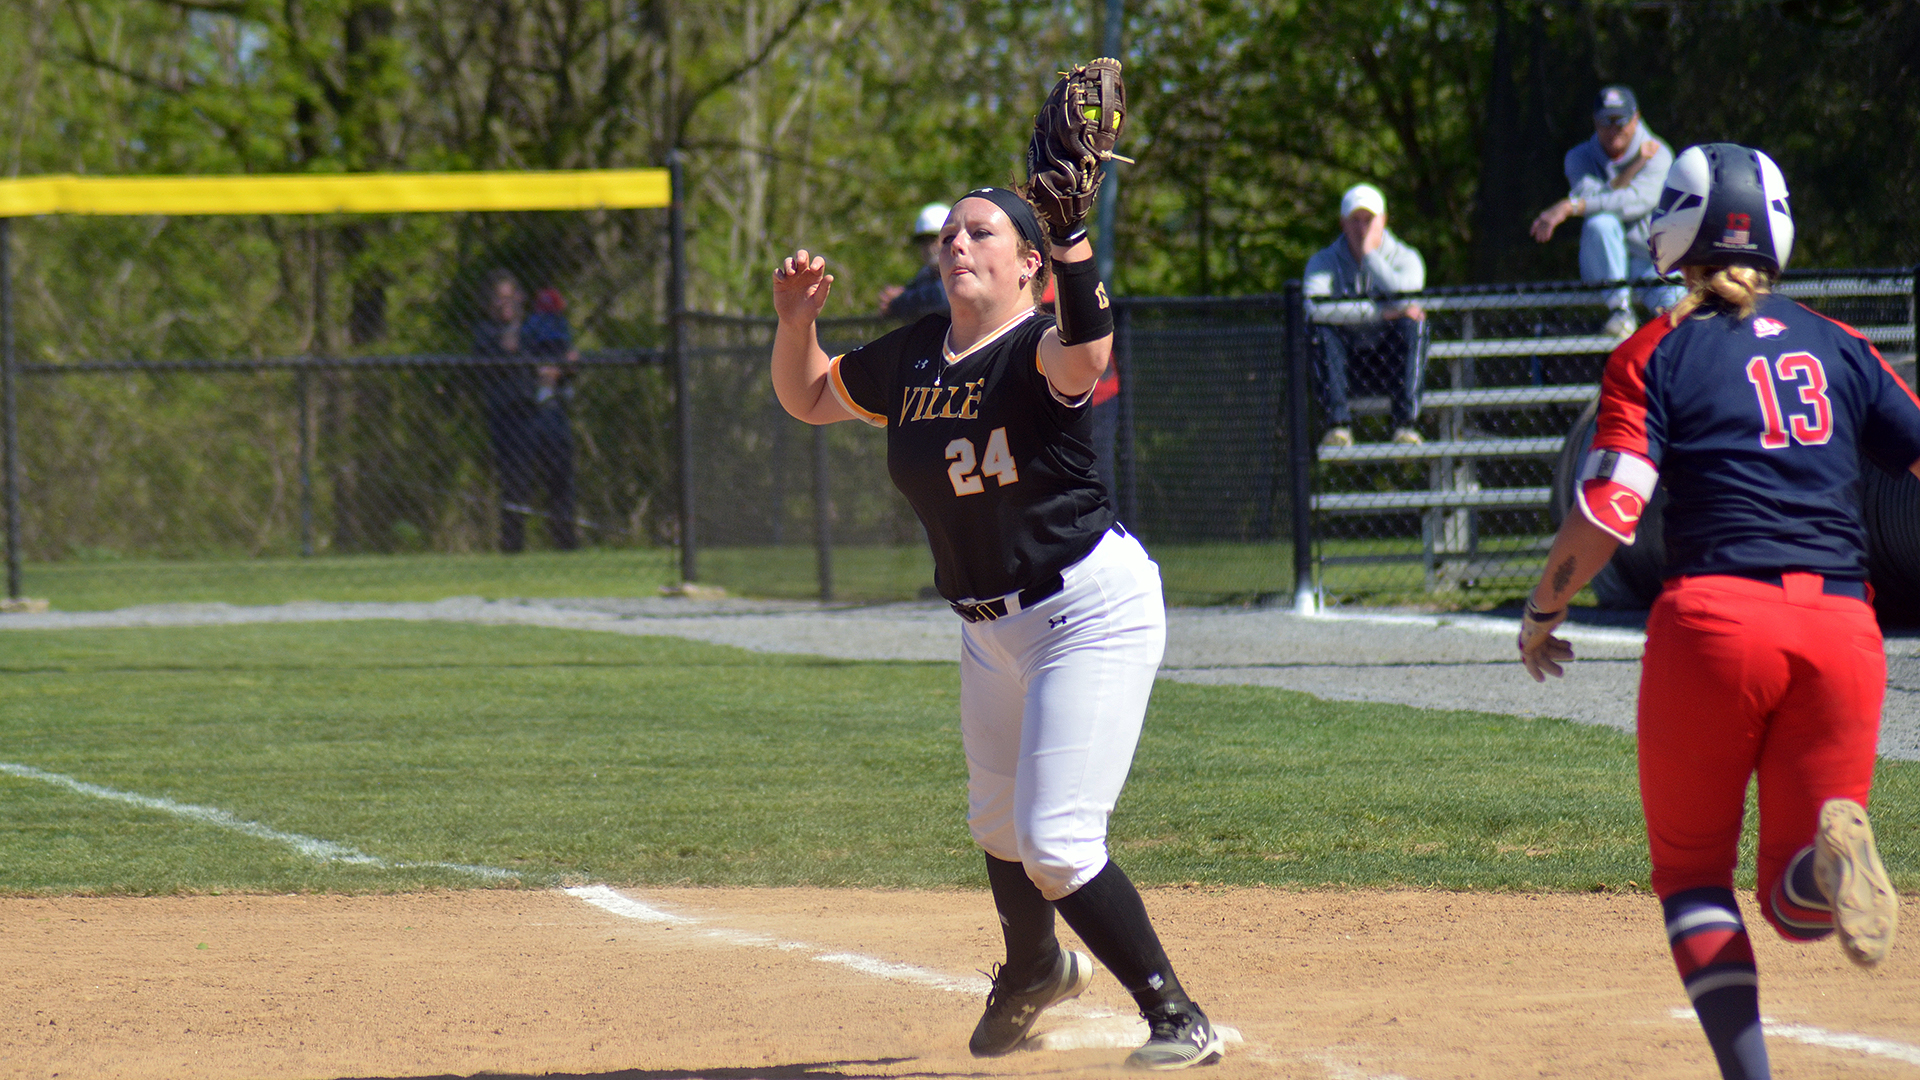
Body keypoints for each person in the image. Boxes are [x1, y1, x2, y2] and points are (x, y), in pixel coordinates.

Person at [769, 76, 1223, 1065]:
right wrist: (796, 318)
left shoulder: (1039, 348)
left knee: (1058, 839)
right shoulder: (914, 359)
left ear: (1025, 265)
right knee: (997, 825)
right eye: (949, 237)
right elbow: (807, 398)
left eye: (982, 234)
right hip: (986, 629)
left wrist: (1075, 240)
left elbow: (1091, 348)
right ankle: (1034, 969)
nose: (958, 246)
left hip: (1085, 611)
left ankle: (1175, 1015)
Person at [1517, 144, 1910, 1080]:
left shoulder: (1653, 352)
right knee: (1789, 901)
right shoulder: (1842, 346)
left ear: (1674, 232)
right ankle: (1827, 866)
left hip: (1717, 625)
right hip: (1847, 630)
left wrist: (1543, 609)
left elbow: (1611, 508)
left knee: (1695, 877)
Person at [1530, 85, 1683, 339]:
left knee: (1685, 321)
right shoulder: (1578, 157)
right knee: (1600, 222)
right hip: (1603, 269)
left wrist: (1571, 206)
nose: (1613, 129)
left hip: (1651, 263)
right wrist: (1635, 167)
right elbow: (1596, 201)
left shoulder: (1658, 153)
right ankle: (1620, 313)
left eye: (1620, 121)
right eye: (1605, 121)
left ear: (1636, 118)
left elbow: (1635, 202)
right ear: (1594, 121)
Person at [1304, 183, 1428, 448]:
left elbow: (1409, 300)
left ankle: (1405, 425)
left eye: (1369, 220)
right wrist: (1384, 313)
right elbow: (1314, 309)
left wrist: (1371, 257)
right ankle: (1338, 427)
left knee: (1413, 325)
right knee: (1320, 333)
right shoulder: (1323, 262)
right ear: (1342, 223)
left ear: (1383, 221)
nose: (1362, 229)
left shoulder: (1406, 257)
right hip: (1345, 362)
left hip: (1388, 360)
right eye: (1355, 221)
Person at [472, 271, 578, 552]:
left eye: (510, 297)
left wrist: (563, 367)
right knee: (516, 487)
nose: (504, 304)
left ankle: (566, 548)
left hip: (549, 415)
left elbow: (559, 358)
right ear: (489, 303)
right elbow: (504, 356)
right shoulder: (486, 333)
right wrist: (534, 370)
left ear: (521, 297)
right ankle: (512, 550)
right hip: (512, 419)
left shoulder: (538, 327)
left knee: (560, 481)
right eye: (498, 299)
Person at [878, 202, 951, 321]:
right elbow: (913, 294)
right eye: (922, 241)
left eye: (933, 238)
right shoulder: (925, 275)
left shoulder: (963, 268)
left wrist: (897, 302)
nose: (928, 247)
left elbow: (943, 295)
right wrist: (892, 300)